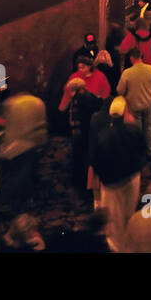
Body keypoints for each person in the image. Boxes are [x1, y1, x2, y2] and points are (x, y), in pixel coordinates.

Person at [90, 97, 145, 250]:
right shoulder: (134, 130)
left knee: (114, 220)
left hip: (112, 185)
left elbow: (96, 163)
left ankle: (118, 247)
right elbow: (142, 152)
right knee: (130, 211)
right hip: (133, 177)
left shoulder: (102, 136)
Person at [59, 55, 111, 197]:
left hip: (86, 125)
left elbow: (105, 94)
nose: (80, 69)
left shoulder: (99, 77)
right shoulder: (74, 78)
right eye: (79, 67)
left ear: (89, 67)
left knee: (84, 152)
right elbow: (67, 95)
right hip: (87, 124)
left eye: (83, 66)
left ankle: (82, 180)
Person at [116, 47, 151, 159]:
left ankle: (139, 153)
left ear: (131, 58)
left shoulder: (127, 73)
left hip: (134, 105)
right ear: (141, 56)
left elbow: (119, 90)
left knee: (137, 129)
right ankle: (150, 151)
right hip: (148, 103)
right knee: (149, 128)